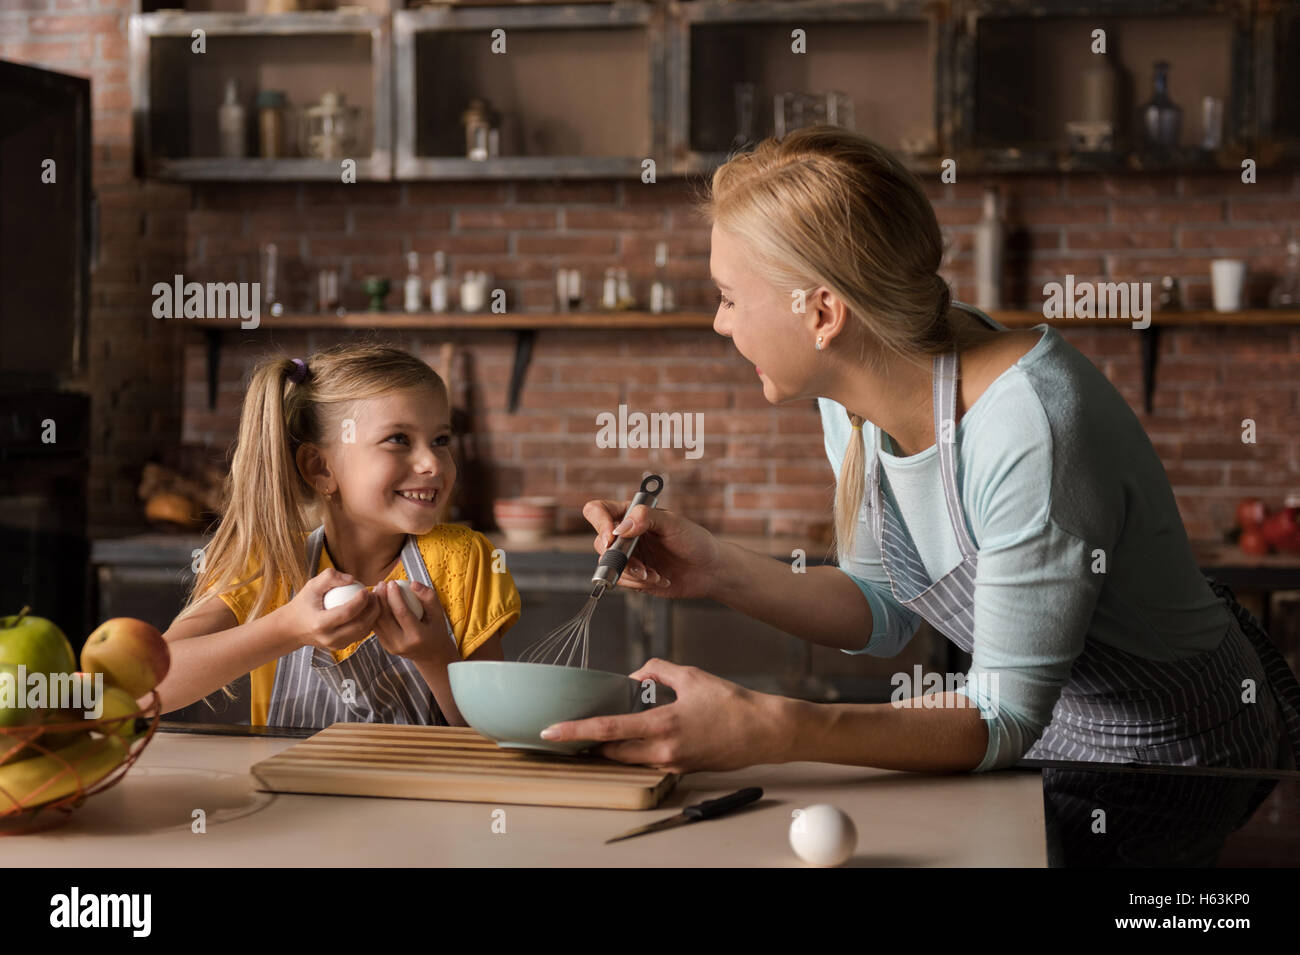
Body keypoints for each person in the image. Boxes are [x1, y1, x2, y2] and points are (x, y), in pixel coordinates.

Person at [540, 126, 1300, 776]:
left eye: (730, 296)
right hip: (1047, 730)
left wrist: (775, 727)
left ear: (823, 314)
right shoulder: (857, 397)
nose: (719, 322)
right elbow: (882, 611)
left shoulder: (1028, 426)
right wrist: (713, 566)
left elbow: (999, 714)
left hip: (1178, 751)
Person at [156, 343, 520, 727]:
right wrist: (288, 628)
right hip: (293, 788)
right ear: (320, 468)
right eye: (398, 439)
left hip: (428, 788)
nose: (432, 463)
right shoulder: (270, 561)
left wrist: (435, 657)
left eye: (441, 440)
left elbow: (495, 734)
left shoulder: (466, 559)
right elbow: (150, 685)